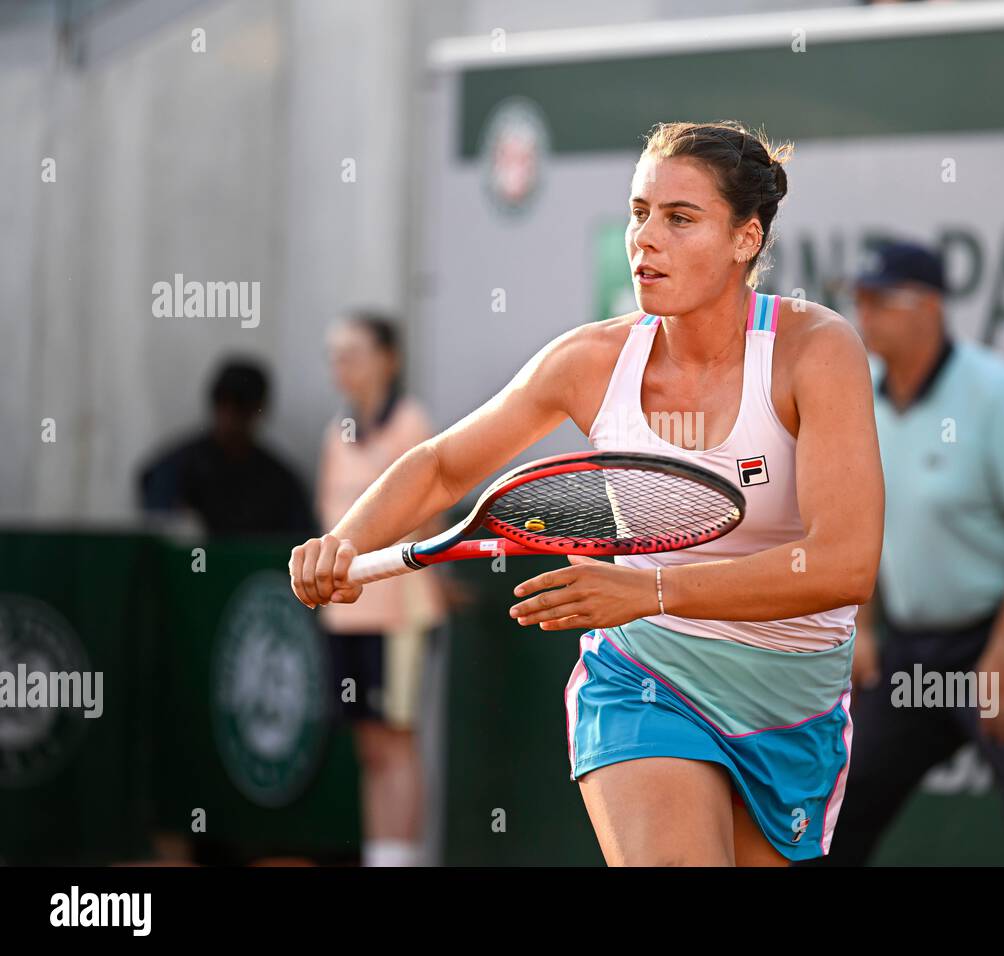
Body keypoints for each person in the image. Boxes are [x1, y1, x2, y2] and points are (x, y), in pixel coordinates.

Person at [289, 121, 885, 867]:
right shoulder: (589, 360)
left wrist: (653, 590)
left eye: (679, 218)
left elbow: (842, 565)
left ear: (745, 239)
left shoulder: (816, 351)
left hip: (794, 705)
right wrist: (345, 540)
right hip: (646, 678)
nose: (646, 239)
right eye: (639, 213)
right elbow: (442, 467)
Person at [806, 239, 1004, 867]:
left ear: (931, 308)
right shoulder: (858, 393)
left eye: (880, 300)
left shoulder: (994, 392)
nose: (864, 316)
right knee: (847, 799)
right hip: (916, 646)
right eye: (858, 301)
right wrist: (861, 627)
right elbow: (857, 518)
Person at [316, 311, 451, 867]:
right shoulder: (335, 433)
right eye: (335, 355)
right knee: (370, 747)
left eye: (354, 352)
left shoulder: (411, 422)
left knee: (397, 742)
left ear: (388, 358)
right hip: (345, 616)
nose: (341, 366)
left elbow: (427, 518)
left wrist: (437, 576)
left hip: (402, 614)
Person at [138, 358, 314, 536]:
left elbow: (297, 540)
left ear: (258, 409)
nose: (228, 414)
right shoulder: (178, 466)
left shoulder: (280, 482)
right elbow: (157, 517)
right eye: (221, 401)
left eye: (240, 404)